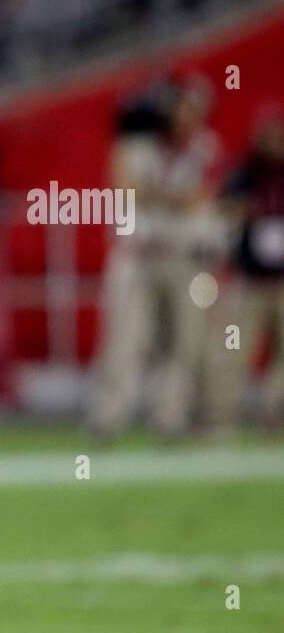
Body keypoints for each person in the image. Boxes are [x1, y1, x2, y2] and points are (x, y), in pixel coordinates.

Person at [88, 76, 221, 440]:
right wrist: (172, 196)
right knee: (125, 339)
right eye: (183, 106)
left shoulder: (206, 147)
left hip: (186, 257)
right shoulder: (138, 145)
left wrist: (159, 195)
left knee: (183, 342)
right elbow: (128, 188)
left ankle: (170, 419)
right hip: (141, 255)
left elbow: (203, 196)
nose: (188, 115)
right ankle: (108, 418)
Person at [204, 109, 284, 433]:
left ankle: (275, 415)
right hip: (249, 282)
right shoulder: (246, 174)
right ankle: (221, 418)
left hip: (282, 282)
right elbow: (219, 208)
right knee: (233, 352)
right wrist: (243, 209)